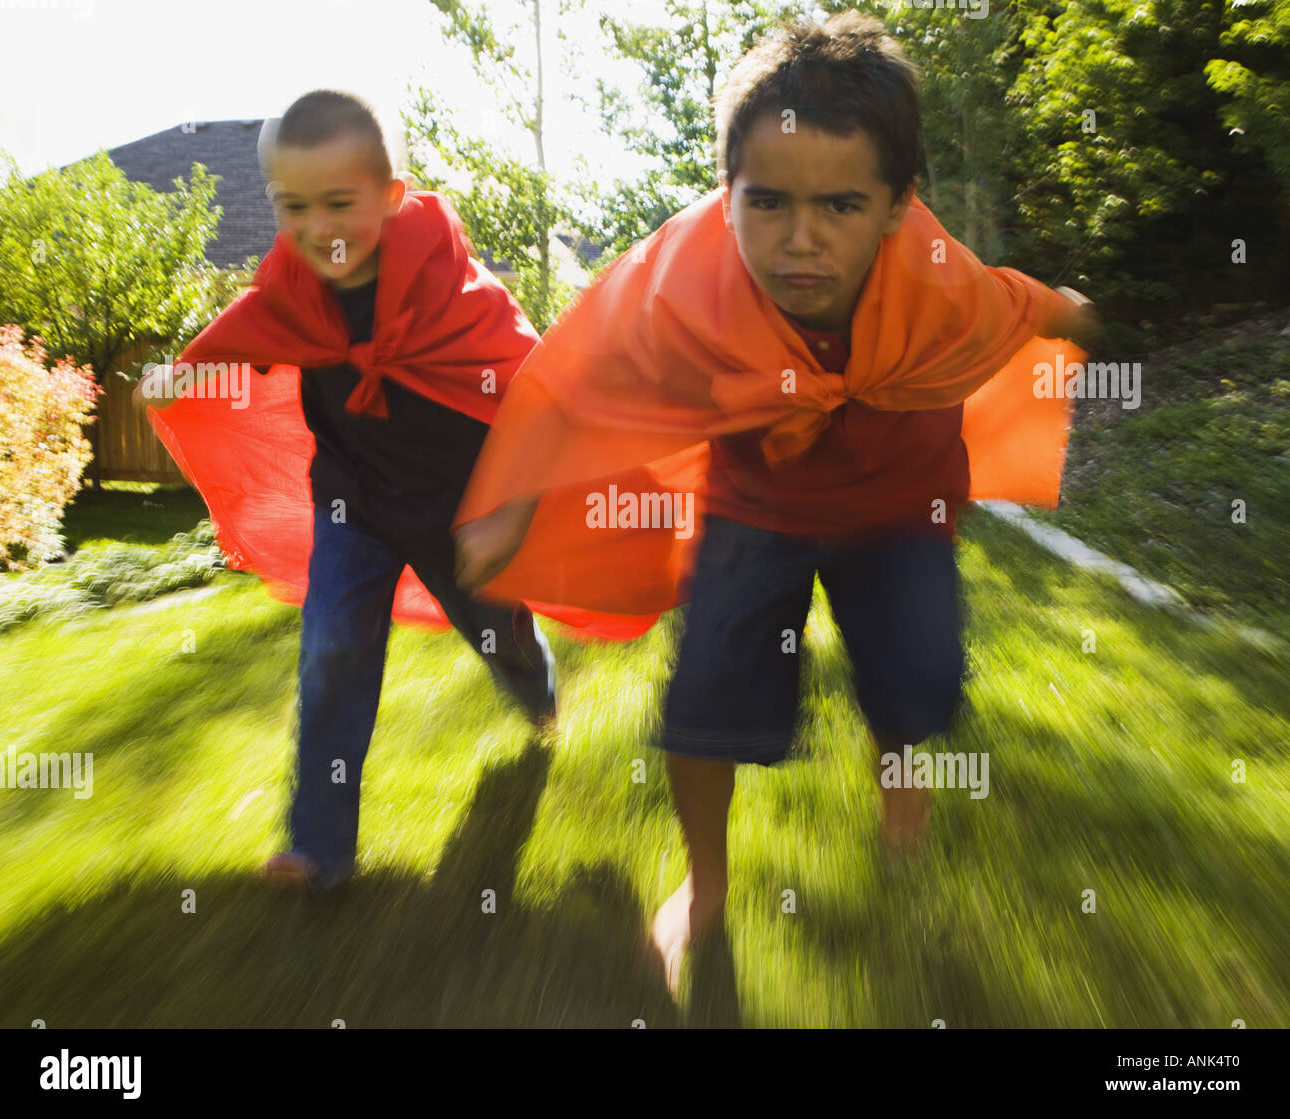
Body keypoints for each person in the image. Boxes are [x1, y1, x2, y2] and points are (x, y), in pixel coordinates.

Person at [450, 12, 1099, 992]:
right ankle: (703, 885)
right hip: (756, 503)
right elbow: (573, 375)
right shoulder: (678, 286)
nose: (800, 240)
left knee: (914, 675)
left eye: (840, 205)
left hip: (898, 503)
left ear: (894, 207)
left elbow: (1024, 304)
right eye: (767, 203)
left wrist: (1078, 316)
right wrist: (507, 506)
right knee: (704, 698)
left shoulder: (940, 286)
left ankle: (900, 773)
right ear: (727, 193)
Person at [137, 90, 559, 893]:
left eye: (340, 202)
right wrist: (180, 371)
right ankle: (319, 848)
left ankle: (533, 682)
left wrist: (509, 513)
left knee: (497, 633)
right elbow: (249, 323)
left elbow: (534, 385)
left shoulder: (454, 289)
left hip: (460, 513)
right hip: (352, 502)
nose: (319, 226)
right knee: (333, 647)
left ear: (391, 199)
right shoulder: (292, 290)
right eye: (294, 206)